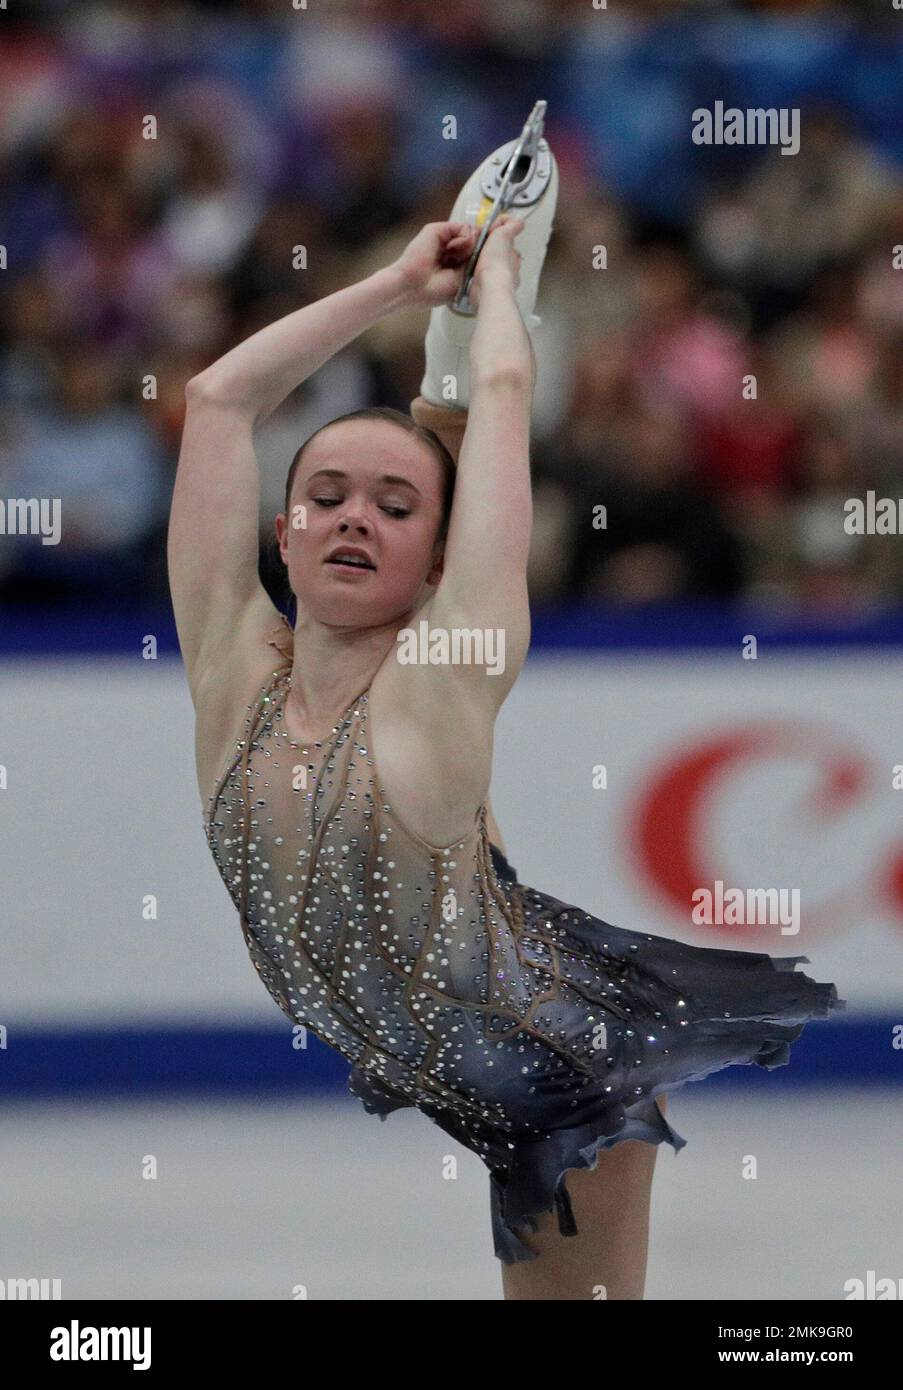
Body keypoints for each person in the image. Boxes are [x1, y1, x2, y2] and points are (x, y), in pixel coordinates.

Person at [168, 211, 843, 1300]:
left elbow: (507, 410)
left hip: (564, 1070)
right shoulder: (229, 661)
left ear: (439, 567)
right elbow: (216, 400)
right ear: (282, 529)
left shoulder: (445, 673)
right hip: (443, 1032)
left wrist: (505, 293)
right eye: (326, 497)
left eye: (395, 509)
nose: (352, 520)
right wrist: (392, 284)